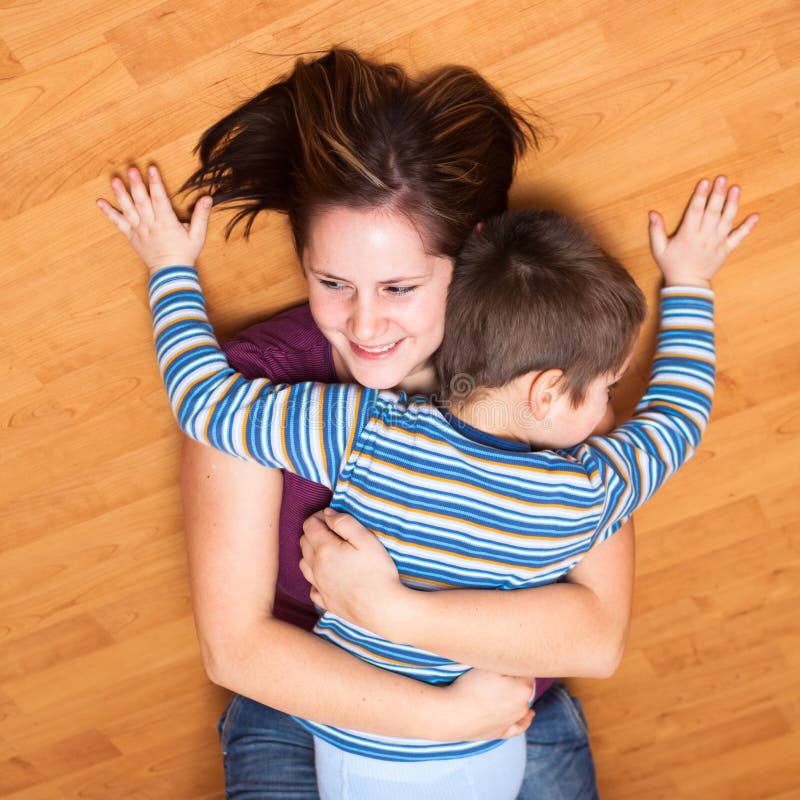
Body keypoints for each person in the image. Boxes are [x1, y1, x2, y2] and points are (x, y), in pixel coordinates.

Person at [101, 146, 756, 794]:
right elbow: (679, 417)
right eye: (606, 390)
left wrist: (169, 267)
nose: (608, 410)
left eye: (399, 286)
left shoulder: (362, 432)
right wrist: (692, 283)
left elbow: (202, 400)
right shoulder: (586, 484)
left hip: (363, 752)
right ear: (546, 393)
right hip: (487, 736)